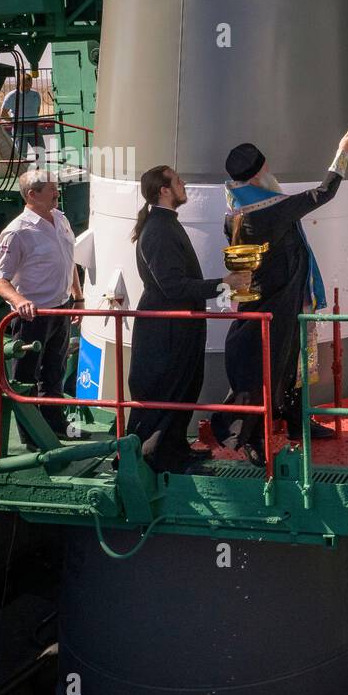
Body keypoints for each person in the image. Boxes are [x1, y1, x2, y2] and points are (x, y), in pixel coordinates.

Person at [210, 129, 348, 461]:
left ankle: (295, 421)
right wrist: (342, 152)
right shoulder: (268, 210)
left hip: (280, 298)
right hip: (274, 303)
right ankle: (247, 438)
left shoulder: (235, 208)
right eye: (266, 168)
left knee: (293, 363)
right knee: (267, 370)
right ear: (258, 174)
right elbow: (323, 192)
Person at [126, 165, 251, 473]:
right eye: (178, 181)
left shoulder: (165, 223)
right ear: (164, 190)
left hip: (179, 326)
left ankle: (175, 448)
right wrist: (224, 283)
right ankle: (154, 456)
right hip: (166, 329)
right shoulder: (158, 229)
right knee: (167, 390)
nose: (184, 185)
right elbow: (172, 285)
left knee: (184, 387)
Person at [0, 169, 83, 449]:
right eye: (52, 189)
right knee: (26, 377)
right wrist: (19, 301)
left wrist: (77, 297)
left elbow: (70, 261)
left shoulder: (61, 219)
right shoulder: (17, 233)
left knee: (55, 370)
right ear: (32, 195)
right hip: (33, 316)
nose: (57, 192)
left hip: (61, 309)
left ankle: (57, 425)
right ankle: (31, 438)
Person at [0, 72, 42, 161]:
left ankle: (40, 171)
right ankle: (22, 173)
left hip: (34, 125)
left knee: (40, 150)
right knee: (22, 154)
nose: (28, 87)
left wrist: (32, 118)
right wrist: (14, 121)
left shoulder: (35, 95)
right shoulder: (12, 96)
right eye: (25, 84)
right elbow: (3, 114)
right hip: (19, 126)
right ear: (19, 83)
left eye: (29, 84)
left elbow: (37, 110)